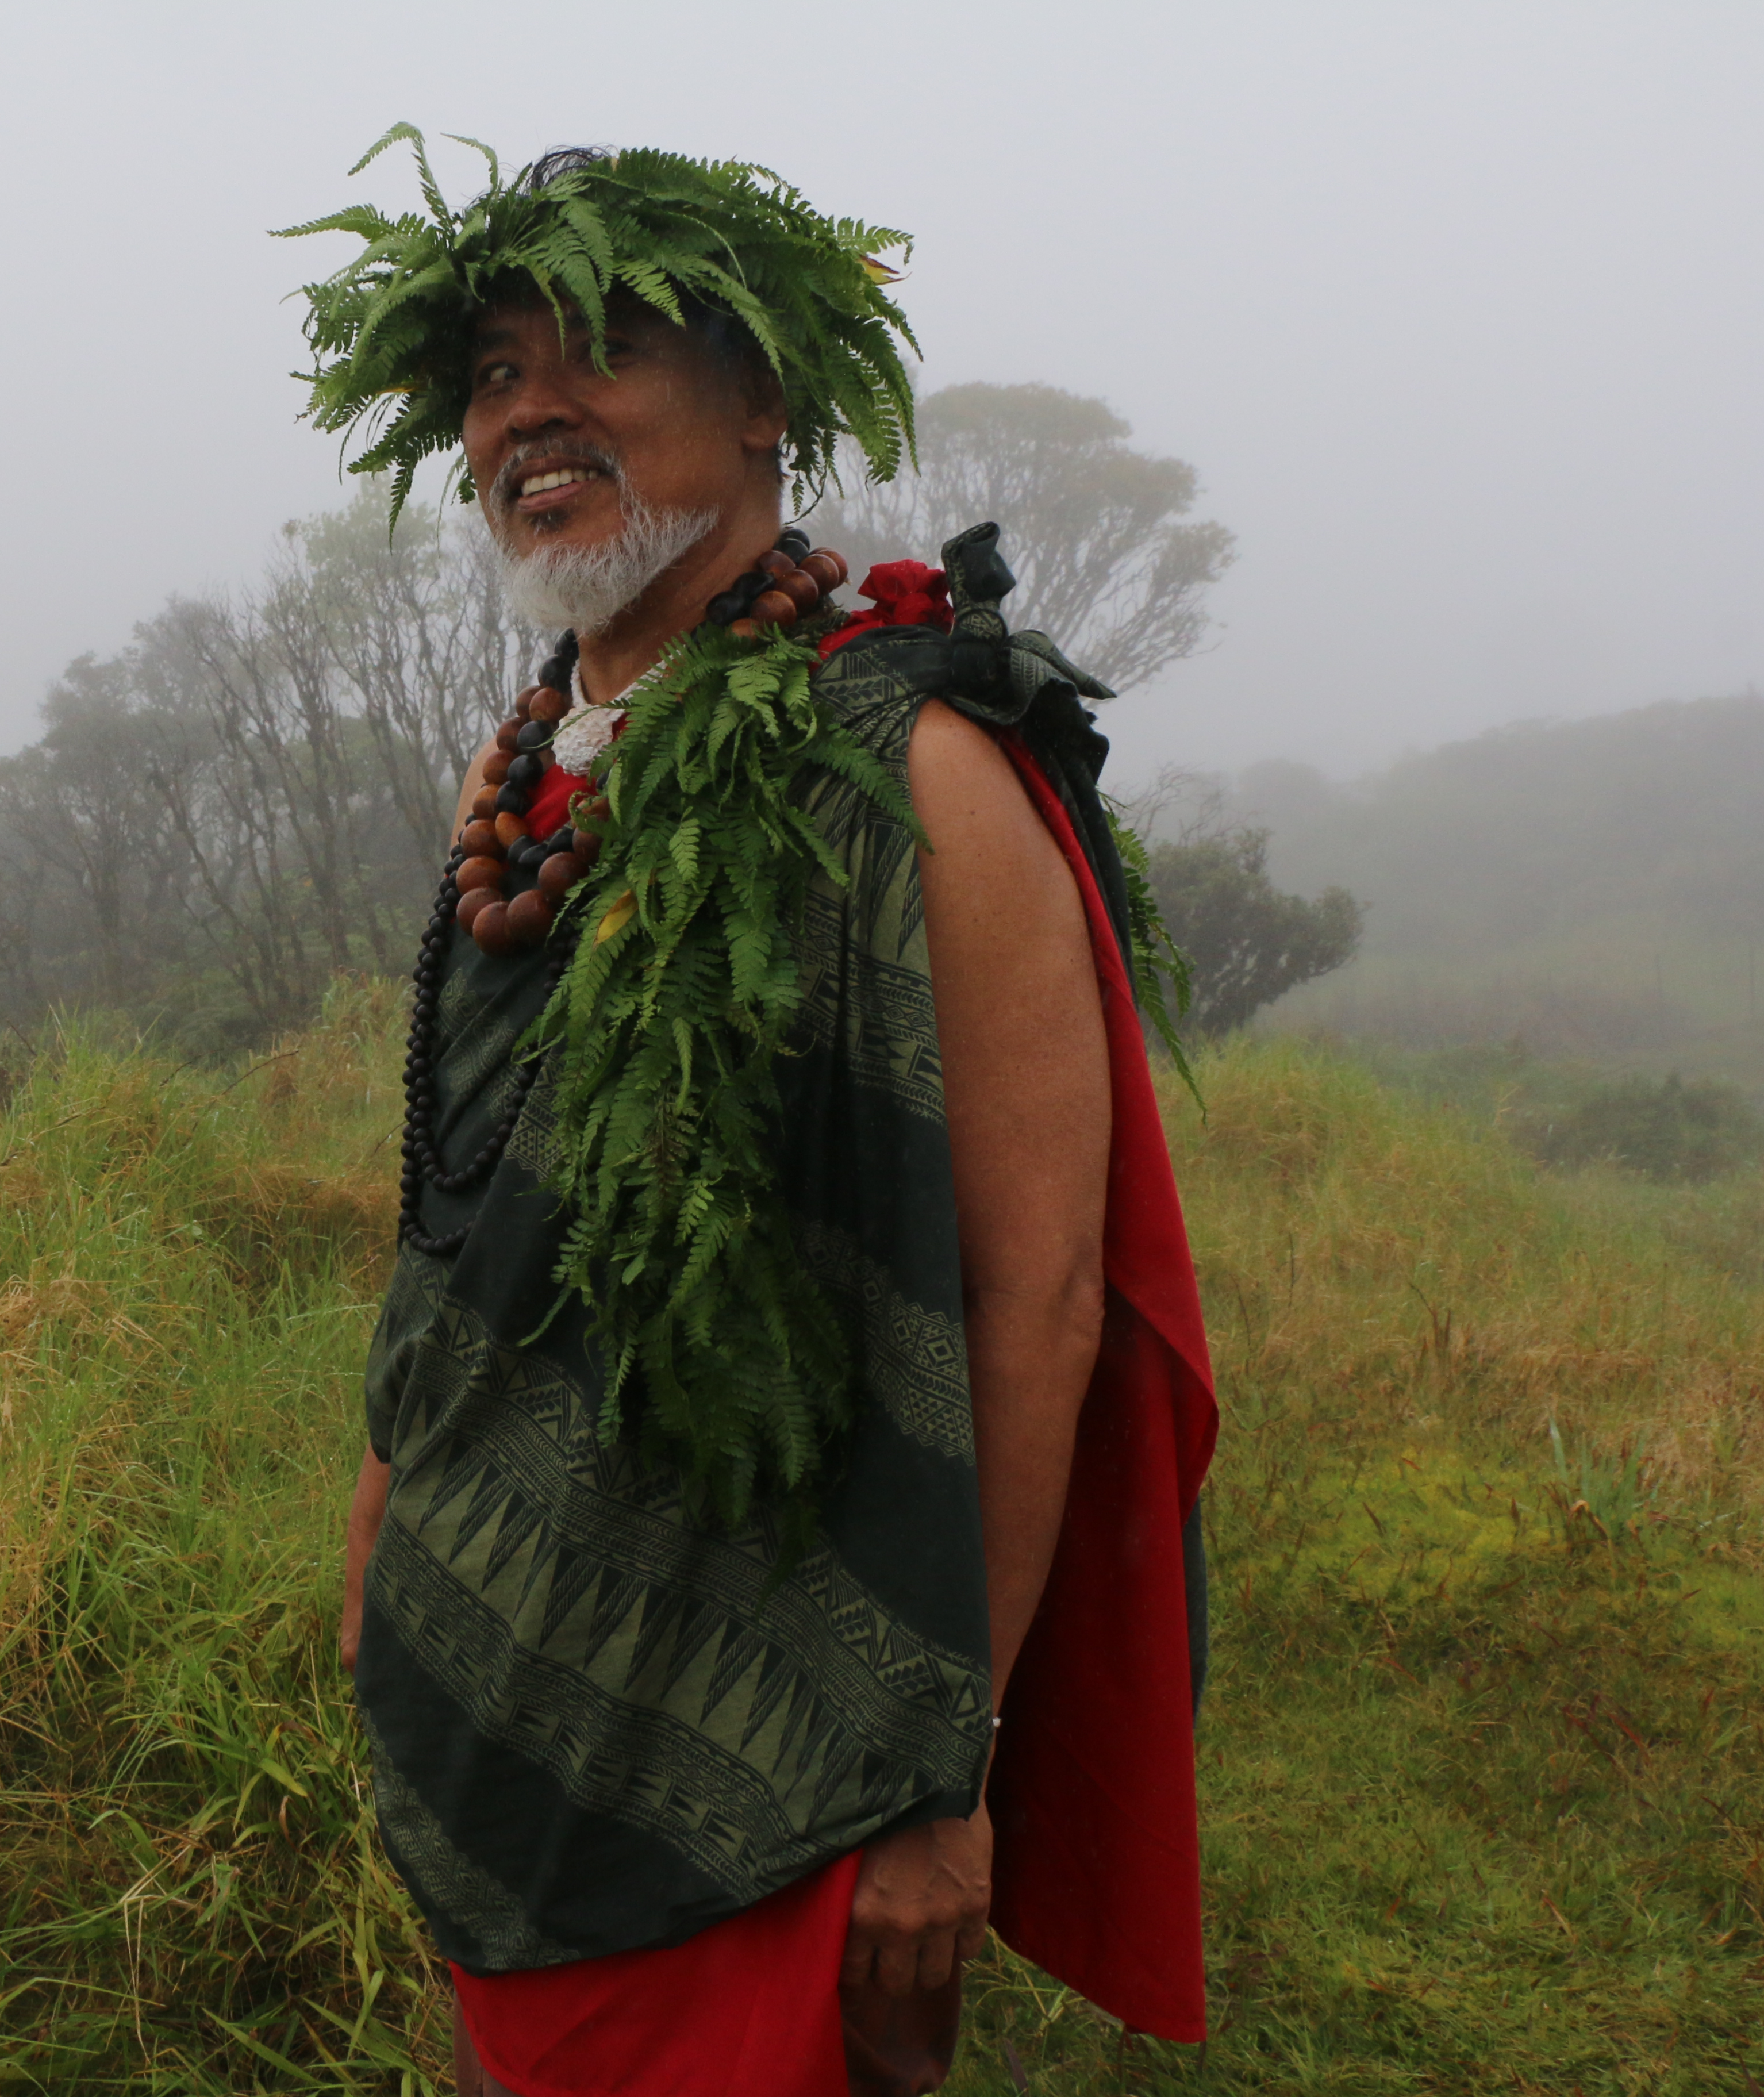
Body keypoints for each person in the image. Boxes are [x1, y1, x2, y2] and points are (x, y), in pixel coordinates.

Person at [286, 139, 1220, 2095]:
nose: (529, 410)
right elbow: (459, 1205)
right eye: (492, 375)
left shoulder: (919, 771)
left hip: (778, 1759)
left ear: (766, 403)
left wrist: (943, 1783)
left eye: (603, 351)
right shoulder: (522, 775)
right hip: (489, 1675)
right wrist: (390, 1504)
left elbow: (1038, 1298)